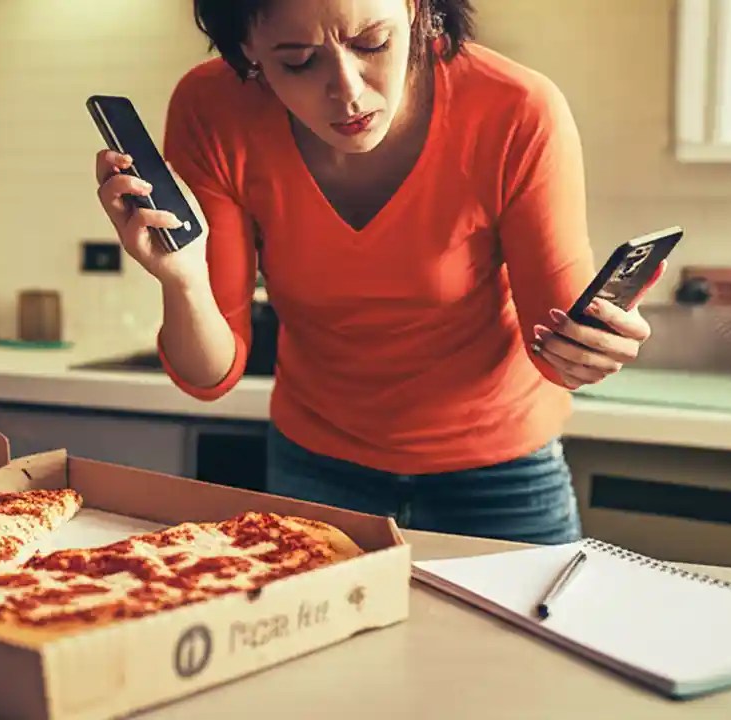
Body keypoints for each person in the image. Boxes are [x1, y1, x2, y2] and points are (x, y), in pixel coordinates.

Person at [92, 0, 663, 545]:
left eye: (373, 42)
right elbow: (209, 377)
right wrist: (183, 279)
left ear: (418, 11)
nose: (348, 91)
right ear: (246, 54)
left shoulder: (516, 108)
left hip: (502, 472)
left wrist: (591, 345)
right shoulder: (213, 109)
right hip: (318, 467)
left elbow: (558, 355)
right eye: (297, 61)